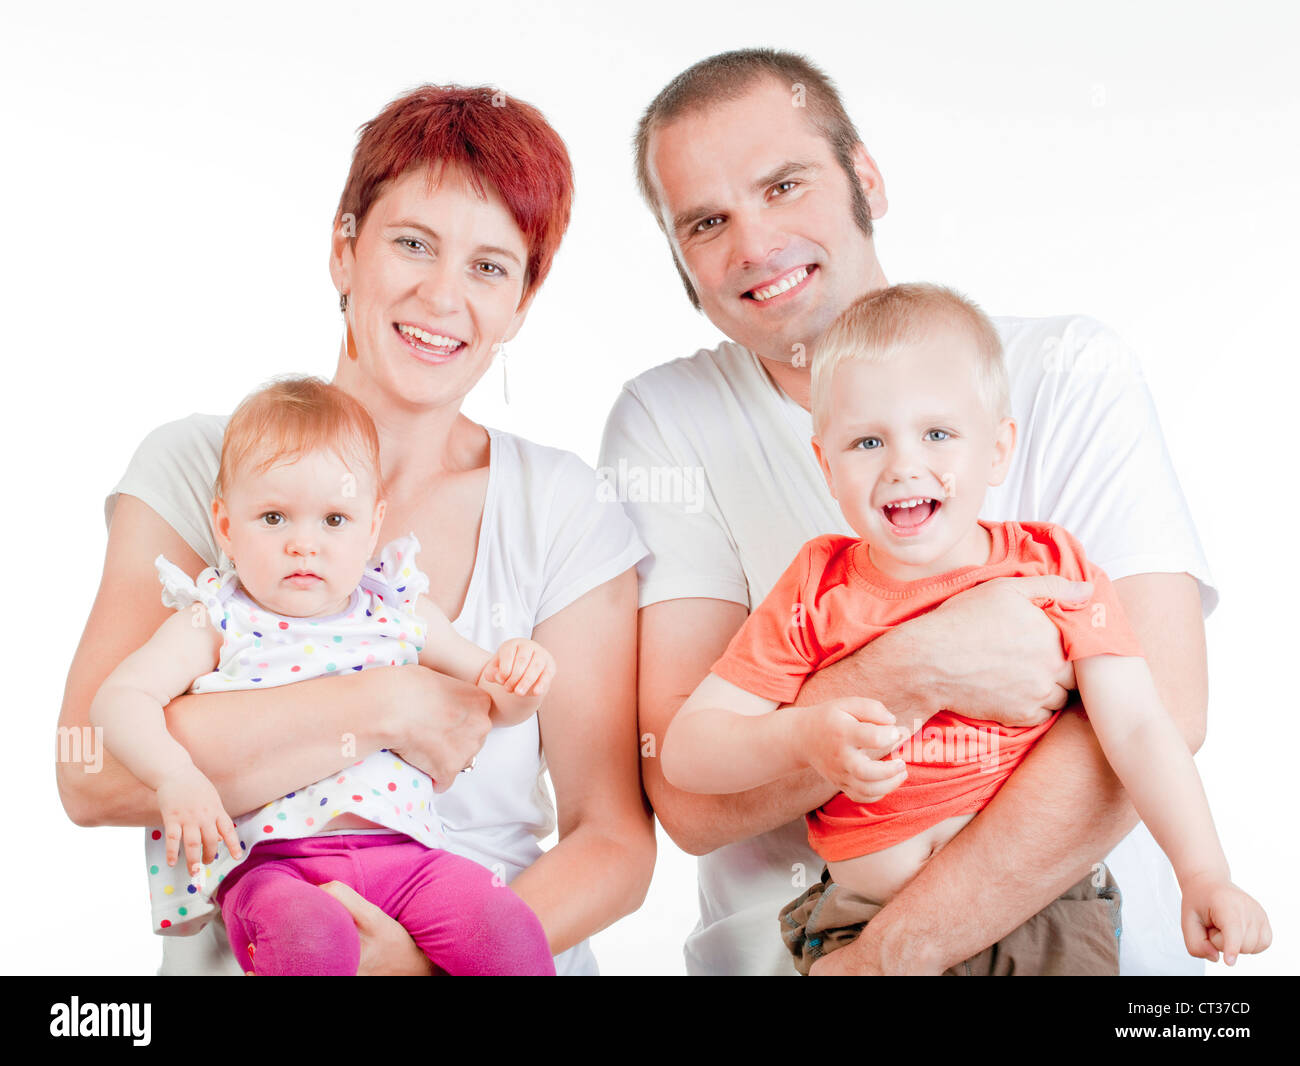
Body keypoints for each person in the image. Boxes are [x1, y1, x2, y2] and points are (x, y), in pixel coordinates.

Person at [600, 48, 1214, 975]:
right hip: (791, 947)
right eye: (706, 221)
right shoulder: (667, 423)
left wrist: (891, 957)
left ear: (866, 179)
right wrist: (925, 667)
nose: (754, 244)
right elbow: (689, 799)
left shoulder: (1066, 371)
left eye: (784, 184)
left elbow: (1159, 710)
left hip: (1078, 942)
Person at [58, 84, 655, 977]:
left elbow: (613, 840)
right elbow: (95, 769)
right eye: (413, 243)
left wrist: (414, 964)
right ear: (344, 249)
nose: (442, 294)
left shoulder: (562, 506)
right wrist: (390, 705)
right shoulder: (197, 469)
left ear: (524, 303)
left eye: (491, 267)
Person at [659, 283, 1270, 975]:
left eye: (938, 434)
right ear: (827, 464)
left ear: (999, 449)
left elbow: (1139, 726)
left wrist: (1205, 872)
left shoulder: (1052, 568)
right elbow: (689, 755)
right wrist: (803, 734)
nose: (903, 465)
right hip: (862, 928)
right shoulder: (816, 587)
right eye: (867, 441)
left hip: (1048, 917)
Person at [91, 377, 558, 975]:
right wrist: (173, 776)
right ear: (227, 527)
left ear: (372, 527)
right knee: (309, 939)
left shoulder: (396, 609)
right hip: (274, 869)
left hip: (407, 860)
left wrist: (521, 677)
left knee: (507, 929)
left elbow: (492, 700)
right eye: (274, 517)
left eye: (334, 519)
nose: (303, 545)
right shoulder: (217, 617)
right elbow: (119, 699)